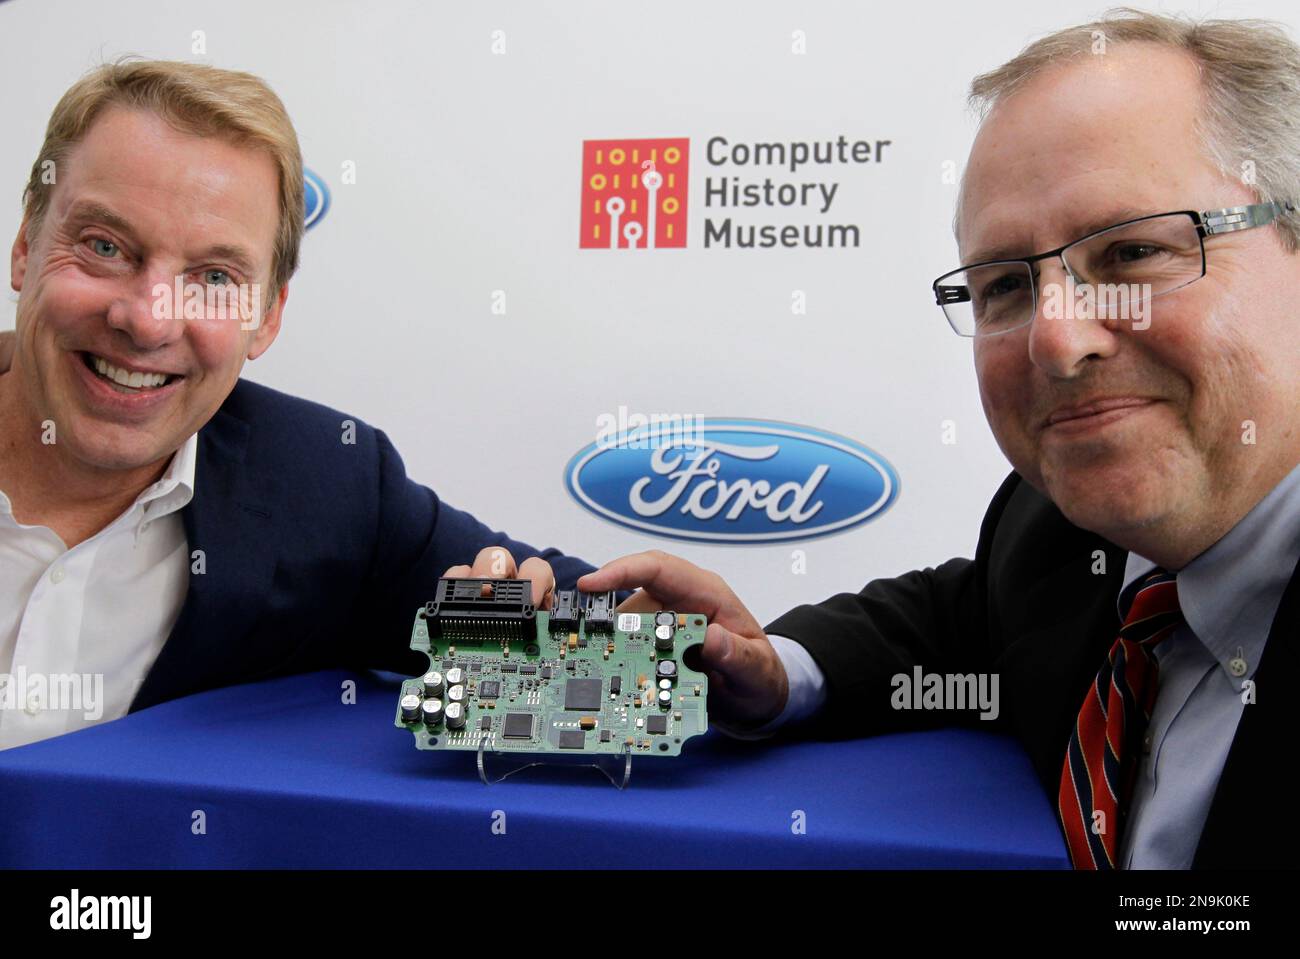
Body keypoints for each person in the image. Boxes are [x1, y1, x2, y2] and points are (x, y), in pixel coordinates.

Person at [486, 10, 1300, 869]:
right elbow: (952, 621)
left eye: (1134, 252)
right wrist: (770, 672)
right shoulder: (1055, 533)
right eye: (1004, 287)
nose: (1058, 342)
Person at [0, 59, 591, 751]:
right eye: (106, 247)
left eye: (214, 277)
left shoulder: (325, 485)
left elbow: (595, 636)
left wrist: (737, 670)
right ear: (25, 247)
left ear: (269, 317)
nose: (150, 321)